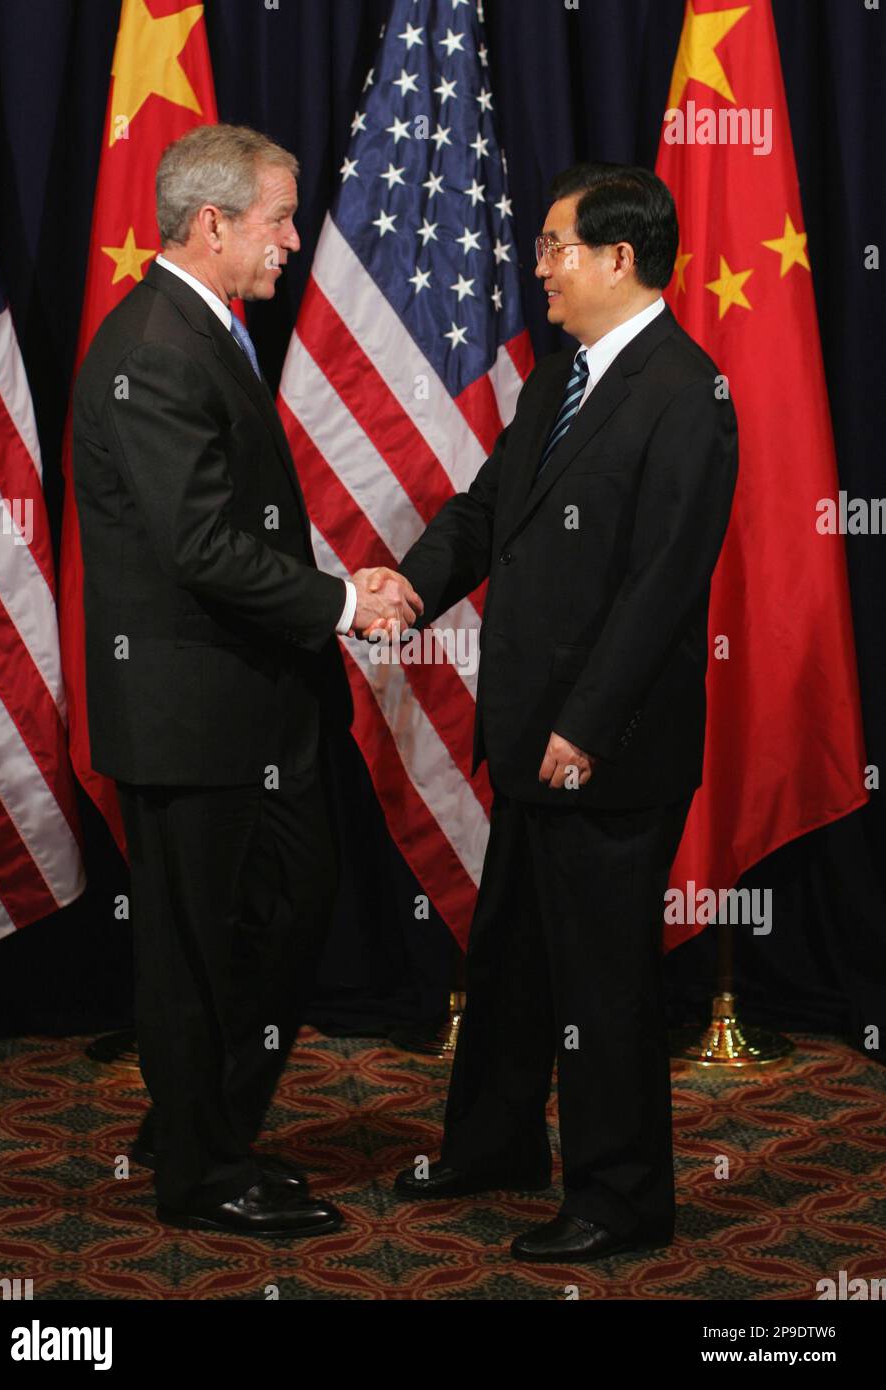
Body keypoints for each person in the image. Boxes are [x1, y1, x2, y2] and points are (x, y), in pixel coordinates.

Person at [72, 123, 421, 1237]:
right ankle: (199, 1172)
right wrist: (340, 603)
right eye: (277, 220)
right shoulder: (156, 347)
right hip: (190, 716)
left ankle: (196, 1125)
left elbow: (229, 526)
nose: (290, 243)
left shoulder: (203, 328)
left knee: (277, 917)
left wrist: (329, 593)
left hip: (251, 709)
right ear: (212, 222)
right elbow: (197, 547)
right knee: (197, 950)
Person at [390, 161, 738, 1261]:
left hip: (604, 748)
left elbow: (663, 586)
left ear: (618, 258)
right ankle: (493, 1144)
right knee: (511, 956)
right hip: (525, 736)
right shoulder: (562, 377)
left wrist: (581, 726)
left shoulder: (689, 392)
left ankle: (620, 1197)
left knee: (601, 976)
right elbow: (489, 509)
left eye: (553, 246)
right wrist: (409, 585)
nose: (537, 265)